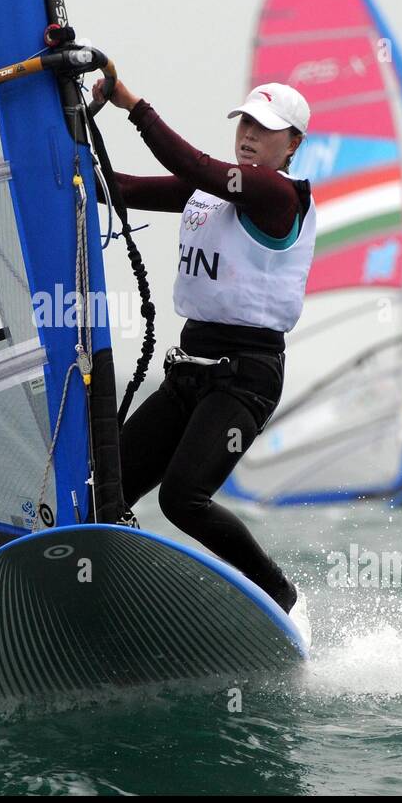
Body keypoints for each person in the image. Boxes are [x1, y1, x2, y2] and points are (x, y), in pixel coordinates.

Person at [91, 77, 315, 614]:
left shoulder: (277, 194)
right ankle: (114, 598)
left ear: (292, 145)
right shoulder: (209, 193)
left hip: (246, 381)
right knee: (105, 493)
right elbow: (123, 188)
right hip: (189, 372)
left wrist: (132, 105)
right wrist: (69, 144)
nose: (250, 134)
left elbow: (193, 167)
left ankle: (281, 597)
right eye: (245, 122)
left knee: (182, 499)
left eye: (267, 128)